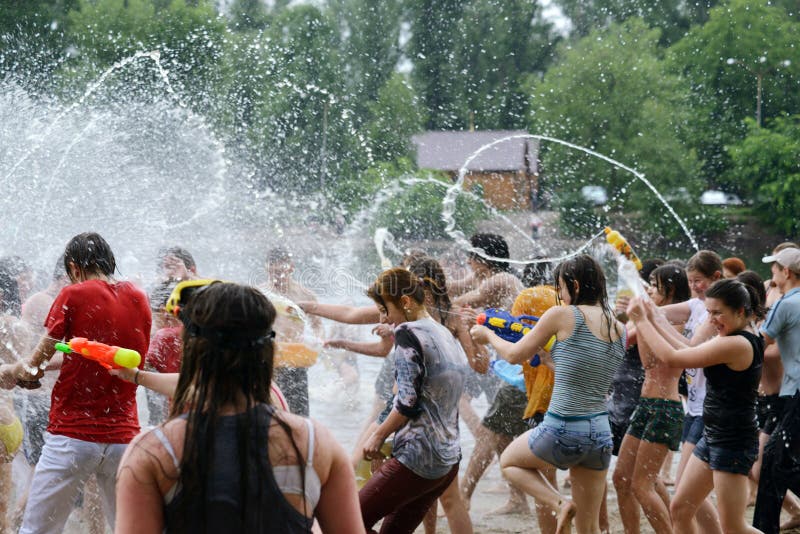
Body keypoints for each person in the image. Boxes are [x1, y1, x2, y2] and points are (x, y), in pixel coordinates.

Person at [115, 282, 362, 533]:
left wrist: (136, 376)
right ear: (269, 351)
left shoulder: (153, 452)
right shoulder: (313, 445)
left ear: (191, 350)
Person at [0, 232, 152, 533]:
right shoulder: (139, 297)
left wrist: (9, 370)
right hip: (123, 438)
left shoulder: (74, 294)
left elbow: (33, 367)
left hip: (72, 437)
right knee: (128, 528)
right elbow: (106, 358)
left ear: (73, 266)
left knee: (37, 530)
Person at [471, 254, 626, 534]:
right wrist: (548, 359)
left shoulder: (562, 314)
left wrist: (487, 335)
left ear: (575, 285)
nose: (560, 295)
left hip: (563, 427)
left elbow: (514, 355)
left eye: (561, 288)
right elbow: (588, 375)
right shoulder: (618, 327)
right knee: (589, 527)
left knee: (509, 462)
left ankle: (559, 502)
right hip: (600, 434)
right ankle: (567, 509)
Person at [628, 278, 764, 534]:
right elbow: (687, 348)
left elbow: (674, 357)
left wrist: (642, 322)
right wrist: (653, 318)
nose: (711, 320)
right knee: (681, 508)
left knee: (734, 527)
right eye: (709, 312)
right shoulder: (735, 334)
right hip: (713, 434)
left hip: (733, 441)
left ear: (740, 311)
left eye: (717, 313)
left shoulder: (738, 343)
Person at [359, 268, 466, 533]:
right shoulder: (444, 333)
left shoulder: (407, 332)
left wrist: (377, 437)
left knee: (347, 522)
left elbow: (407, 401)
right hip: (448, 460)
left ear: (405, 302)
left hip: (417, 458)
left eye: (385, 310)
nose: (384, 319)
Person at [453, 233, 530, 516]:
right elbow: (454, 287)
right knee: (502, 436)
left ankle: (463, 497)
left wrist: (430, 298)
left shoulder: (501, 279)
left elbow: (461, 298)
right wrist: (424, 282)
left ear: (481, 259)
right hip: (516, 368)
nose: (467, 262)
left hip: (521, 369)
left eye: (470, 257)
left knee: (488, 433)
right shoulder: (489, 278)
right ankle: (518, 499)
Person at [613, 264, 690, 534]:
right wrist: (621, 314)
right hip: (646, 406)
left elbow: (667, 353)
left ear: (670, 290)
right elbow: (620, 339)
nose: (650, 291)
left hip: (664, 407)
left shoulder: (678, 323)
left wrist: (643, 317)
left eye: (655, 287)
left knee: (642, 485)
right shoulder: (648, 316)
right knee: (621, 478)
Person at [753, 246, 800, 533]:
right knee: (773, 459)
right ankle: (763, 527)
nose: (771, 276)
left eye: (774, 270)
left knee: (776, 460)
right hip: (791, 392)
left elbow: (758, 344)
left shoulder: (787, 303)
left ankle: (763, 527)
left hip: (795, 392)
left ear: (787, 272)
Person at [263, 247, 321, 416]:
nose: (277, 277)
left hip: (295, 360)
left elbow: (317, 325)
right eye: (273, 272)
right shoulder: (260, 293)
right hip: (266, 359)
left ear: (291, 268)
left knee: (298, 413)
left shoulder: (305, 295)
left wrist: (317, 340)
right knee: (268, 412)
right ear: (266, 268)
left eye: (281, 272)